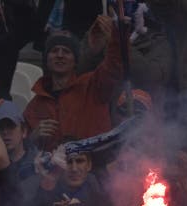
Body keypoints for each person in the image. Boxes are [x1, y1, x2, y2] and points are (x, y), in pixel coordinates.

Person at [24, 16, 123, 152]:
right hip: (53, 170)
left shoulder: (93, 85)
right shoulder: (34, 106)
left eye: (66, 51)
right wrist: (33, 138)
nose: (60, 55)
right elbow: (22, 151)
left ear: (76, 61)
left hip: (94, 168)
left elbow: (115, 66)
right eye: (54, 51)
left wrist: (115, 38)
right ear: (46, 60)